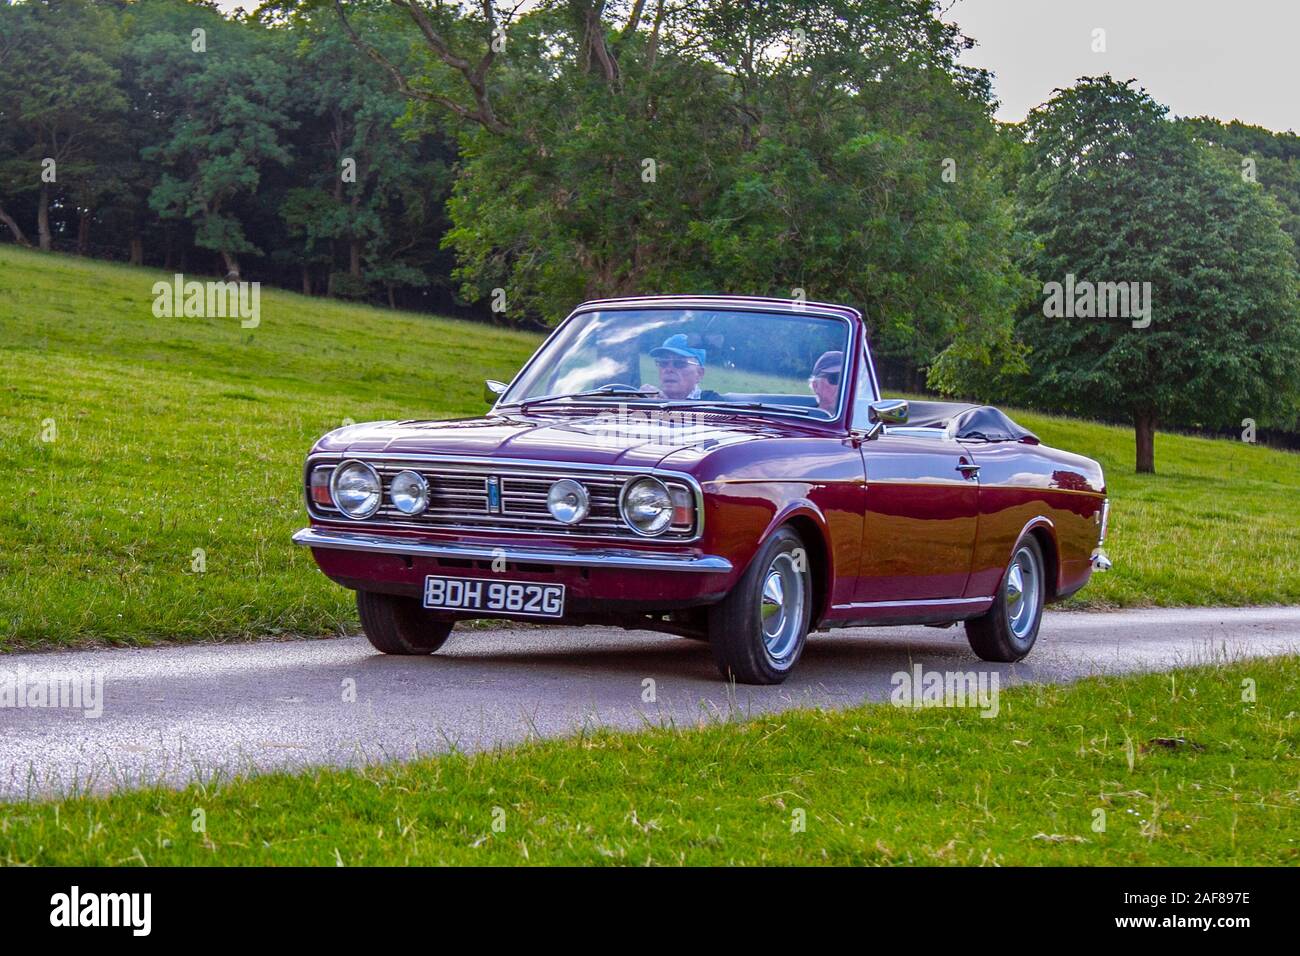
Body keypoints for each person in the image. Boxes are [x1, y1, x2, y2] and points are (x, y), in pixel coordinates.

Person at [642, 333, 722, 400]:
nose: (669, 369)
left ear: (699, 373)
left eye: (679, 363)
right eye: (663, 363)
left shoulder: (715, 405)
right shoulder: (648, 399)